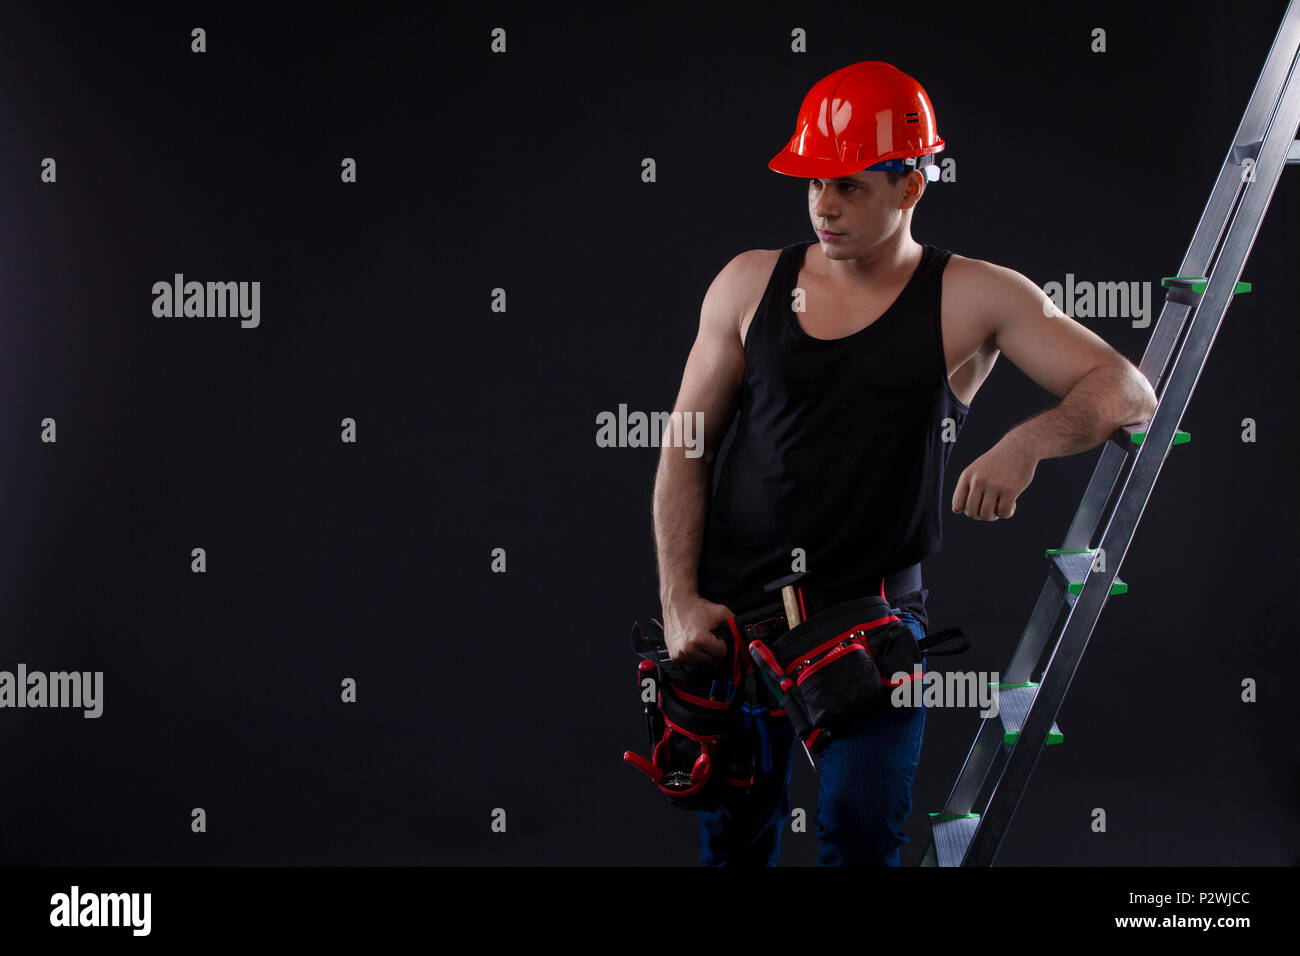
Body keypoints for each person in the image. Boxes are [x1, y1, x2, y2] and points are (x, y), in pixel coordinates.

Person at [650, 61, 1158, 866]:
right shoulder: (748, 283)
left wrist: (1026, 442)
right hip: (734, 622)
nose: (825, 205)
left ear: (911, 186)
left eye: (850, 186)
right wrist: (679, 599)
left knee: (859, 839)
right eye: (814, 182)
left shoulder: (972, 296)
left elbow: (1127, 389)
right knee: (733, 847)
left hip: (867, 627)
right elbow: (685, 446)